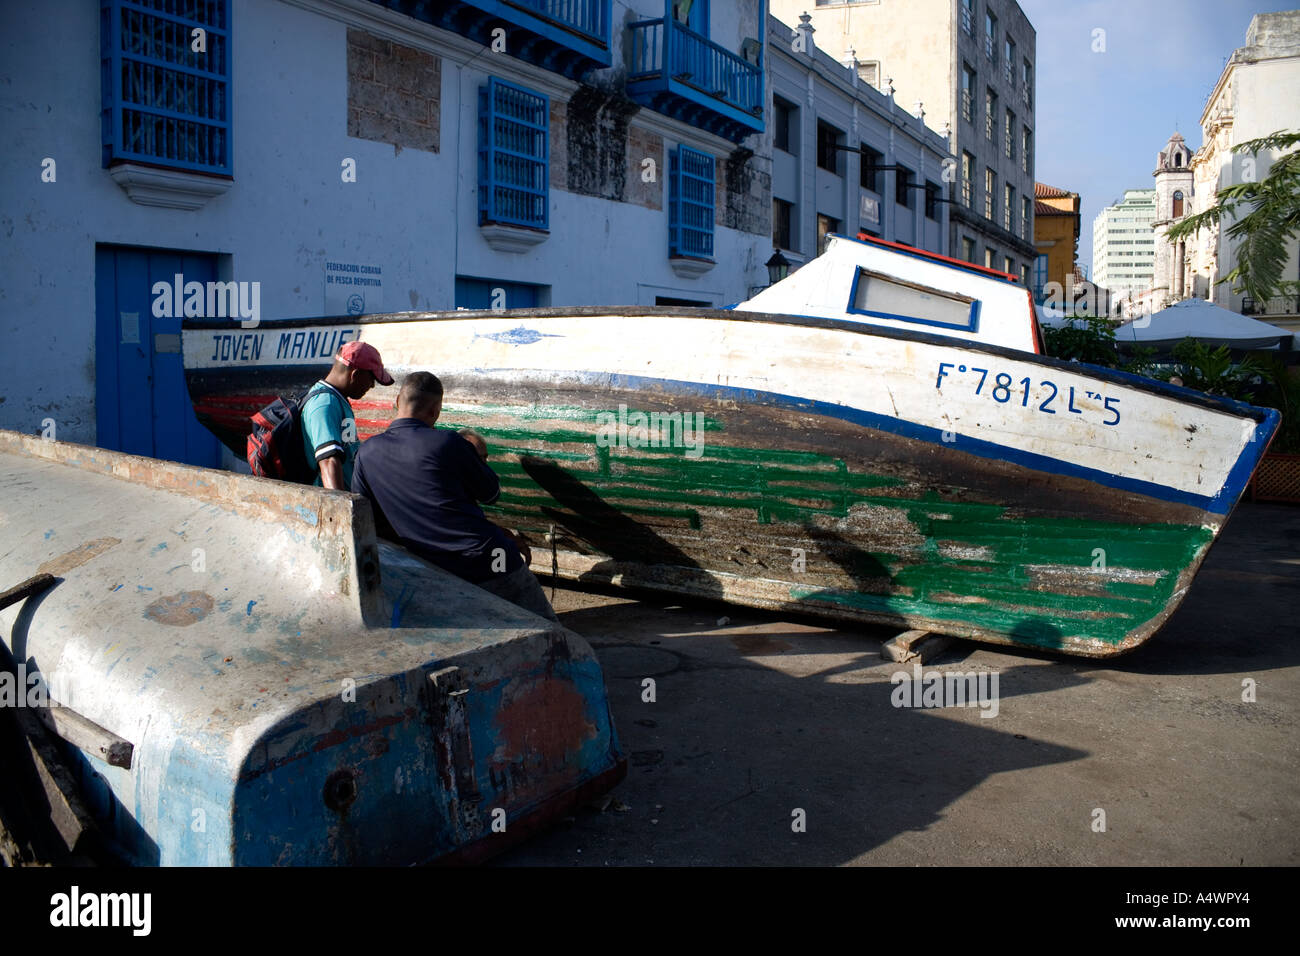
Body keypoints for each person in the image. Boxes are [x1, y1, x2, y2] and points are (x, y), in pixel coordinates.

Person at [351, 371, 558, 622]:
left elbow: (366, 514)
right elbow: (491, 494)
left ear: (397, 401)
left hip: (433, 568)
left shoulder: (366, 453)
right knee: (544, 627)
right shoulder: (448, 442)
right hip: (489, 558)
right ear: (435, 411)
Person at [301, 341, 393, 489]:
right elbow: (329, 462)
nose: (372, 386)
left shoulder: (337, 400)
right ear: (355, 374)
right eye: (372, 379)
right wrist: (341, 508)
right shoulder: (325, 404)